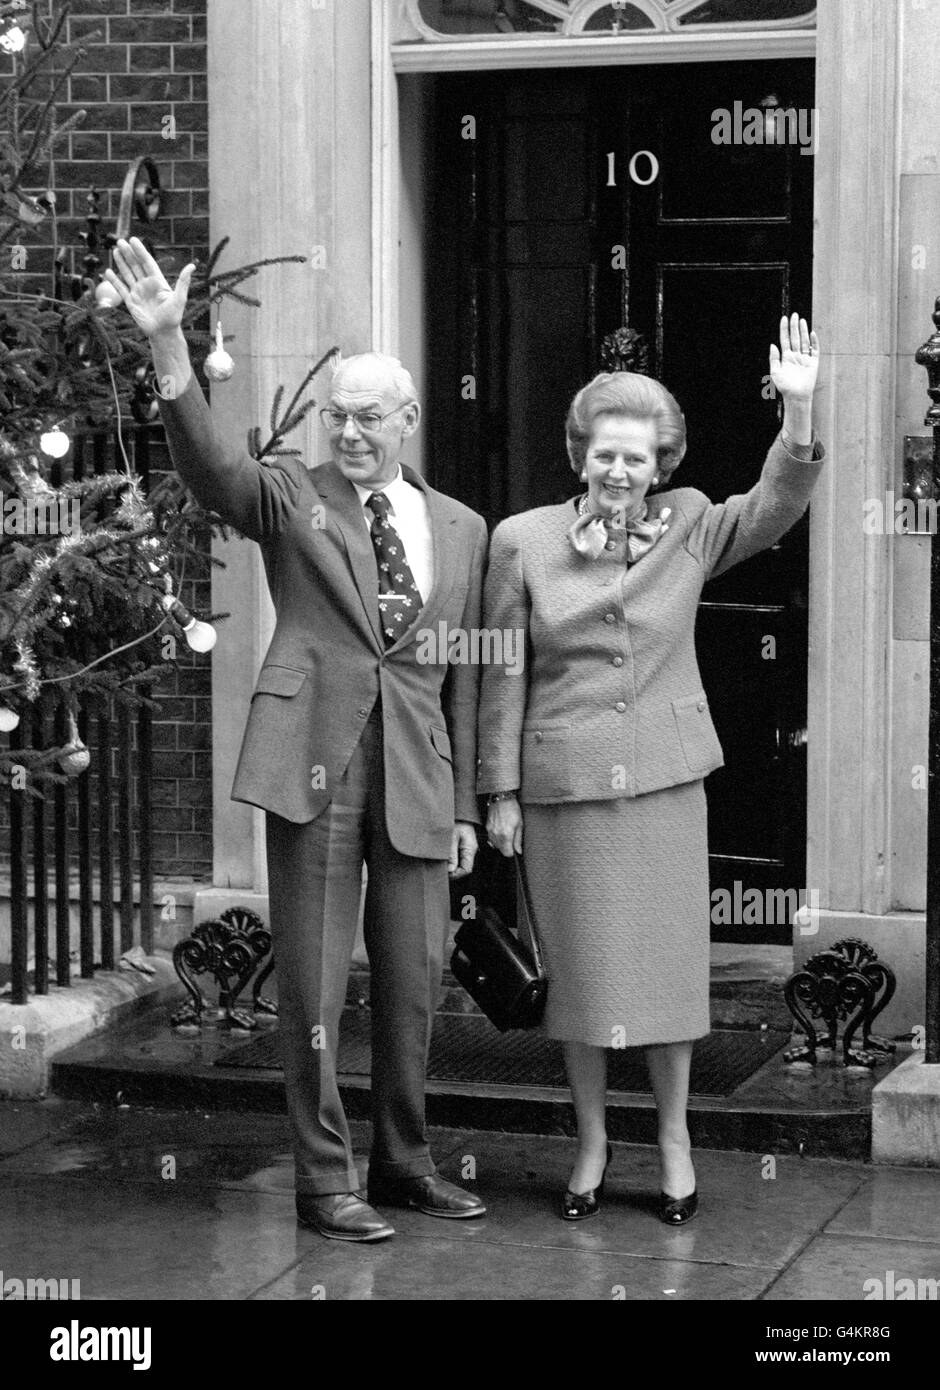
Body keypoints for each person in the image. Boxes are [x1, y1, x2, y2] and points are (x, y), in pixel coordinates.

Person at [104, 238, 489, 1242]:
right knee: (314, 980)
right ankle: (326, 1182)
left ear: (408, 420)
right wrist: (171, 351)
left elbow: (459, 672)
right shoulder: (290, 493)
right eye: (339, 415)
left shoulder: (461, 527)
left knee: (417, 977)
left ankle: (403, 1162)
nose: (352, 431)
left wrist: (463, 806)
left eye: (372, 416)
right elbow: (213, 470)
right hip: (314, 759)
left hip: (414, 768)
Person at [479, 314, 824, 1225]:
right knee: (583, 983)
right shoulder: (522, 540)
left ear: (661, 463)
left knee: (667, 979)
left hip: (666, 789)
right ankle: (591, 1142)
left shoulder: (693, 527)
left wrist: (797, 413)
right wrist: (499, 794)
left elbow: (777, 506)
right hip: (565, 792)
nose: (619, 473)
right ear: (579, 455)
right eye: (604, 456)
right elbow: (499, 673)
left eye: (637, 459)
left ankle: (672, 1138)